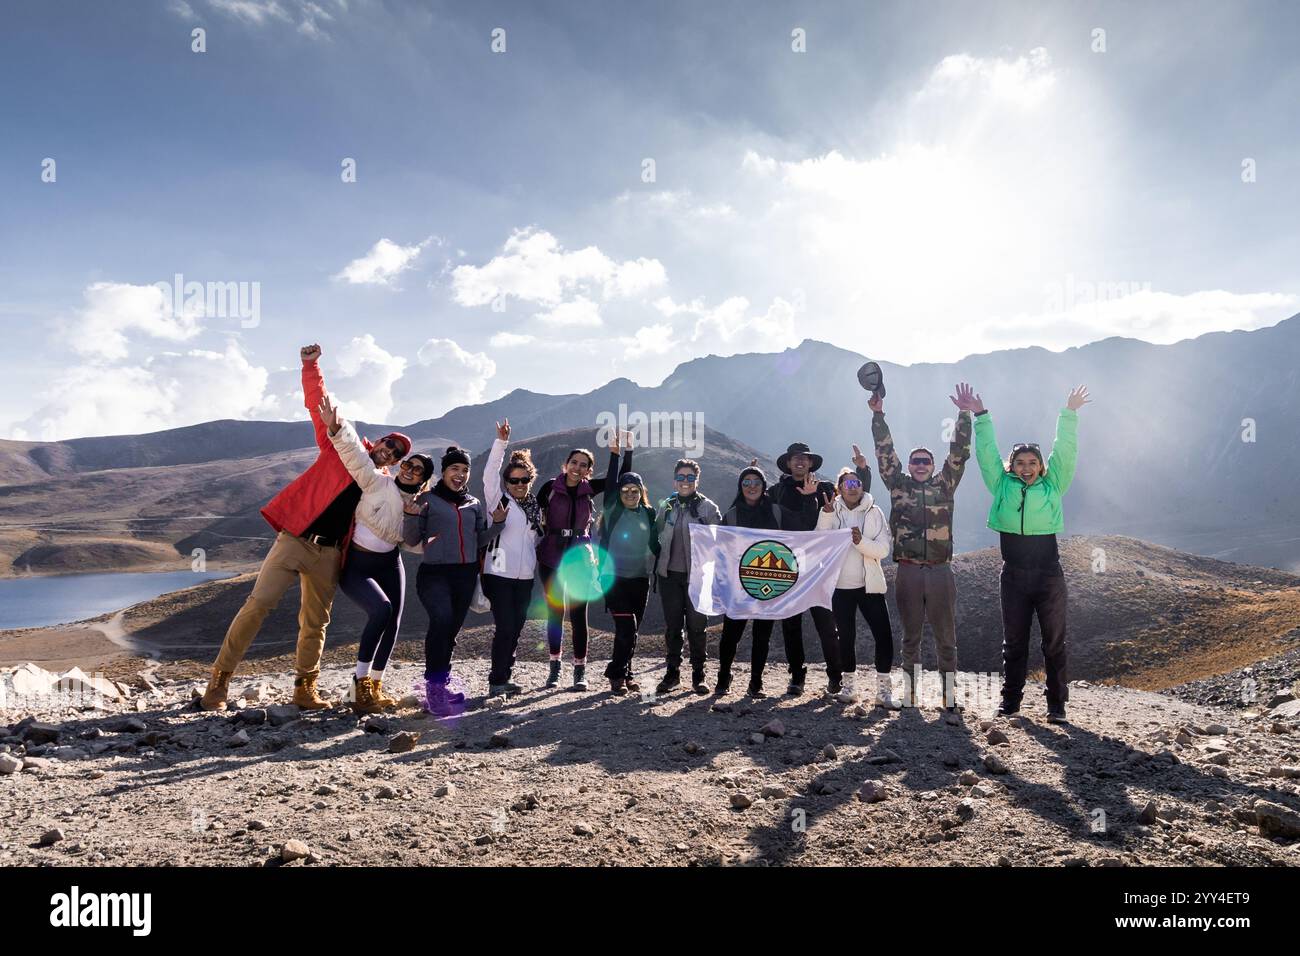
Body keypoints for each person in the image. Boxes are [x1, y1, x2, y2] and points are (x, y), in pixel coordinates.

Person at [200, 344, 410, 712]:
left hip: (330, 553)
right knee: (258, 604)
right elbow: (320, 407)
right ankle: (219, 682)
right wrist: (310, 366)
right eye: (388, 444)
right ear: (377, 441)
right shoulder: (340, 445)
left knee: (315, 622)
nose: (389, 452)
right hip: (295, 539)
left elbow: (396, 515)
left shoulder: (381, 484)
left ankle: (304, 689)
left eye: (396, 454)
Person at [968, 384, 1088, 723]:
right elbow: (987, 455)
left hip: (1049, 574)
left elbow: (1065, 452)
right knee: (1014, 643)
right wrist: (981, 415)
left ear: (1040, 466)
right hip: (1014, 575)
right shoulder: (1001, 485)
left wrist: (1069, 414)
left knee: (1054, 644)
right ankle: (1010, 704)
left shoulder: (1054, 485)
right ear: (1012, 466)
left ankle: (1056, 707)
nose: (1026, 467)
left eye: (1032, 462)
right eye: (1019, 462)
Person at [317, 392, 428, 714]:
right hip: (358, 564)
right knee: (380, 610)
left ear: (423, 478)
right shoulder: (376, 483)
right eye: (407, 463)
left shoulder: (418, 506)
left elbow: (415, 545)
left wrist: (412, 518)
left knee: (393, 621)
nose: (410, 470)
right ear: (399, 466)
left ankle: (374, 687)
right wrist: (338, 427)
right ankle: (358, 685)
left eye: (417, 469)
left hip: (390, 563)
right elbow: (354, 454)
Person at [870, 389, 971, 710]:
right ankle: (911, 695)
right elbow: (885, 452)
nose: (921, 465)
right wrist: (878, 415)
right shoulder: (898, 485)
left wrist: (965, 415)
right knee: (910, 637)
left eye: (926, 461)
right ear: (909, 465)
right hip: (908, 572)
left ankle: (949, 696)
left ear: (933, 465)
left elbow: (959, 452)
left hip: (941, 572)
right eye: (916, 461)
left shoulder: (946, 484)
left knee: (946, 638)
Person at [403, 446, 503, 717]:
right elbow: (411, 540)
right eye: (454, 469)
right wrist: (411, 517)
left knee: (451, 631)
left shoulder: (474, 503)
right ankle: (433, 689)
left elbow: (478, 540)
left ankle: (441, 684)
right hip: (434, 574)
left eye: (464, 470)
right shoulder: (426, 500)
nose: (459, 475)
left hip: (465, 575)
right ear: (444, 472)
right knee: (442, 621)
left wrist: (497, 525)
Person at [769, 442, 869, 695]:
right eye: (795, 459)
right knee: (791, 624)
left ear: (811, 463)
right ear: (789, 463)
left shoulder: (825, 489)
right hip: (788, 567)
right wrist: (749, 479)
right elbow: (757, 509)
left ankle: (835, 676)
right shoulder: (777, 491)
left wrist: (863, 471)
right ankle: (797, 676)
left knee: (826, 625)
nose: (800, 462)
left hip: (821, 568)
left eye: (804, 458)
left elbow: (856, 497)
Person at [535, 438, 632, 690]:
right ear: (565, 464)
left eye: (584, 465)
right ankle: (554, 669)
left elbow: (621, 480)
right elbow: (534, 517)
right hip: (550, 558)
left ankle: (580, 671)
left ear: (589, 470)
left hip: (580, 560)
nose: (577, 468)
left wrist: (618, 453)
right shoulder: (549, 488)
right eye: (574, 462)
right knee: (555, 614)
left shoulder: (590, 489)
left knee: (579, 616)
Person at [816, 465, 899, 708]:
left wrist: (860, 542)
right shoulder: (831, 511)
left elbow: (883, 549)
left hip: (870, 586)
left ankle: (883, 691)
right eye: (847, 484)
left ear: (862, 486)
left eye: (857, 483)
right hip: (841, 588)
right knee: (846, 638)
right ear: (839, 488)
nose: (853, 488)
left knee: (883, 636)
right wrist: (827, 514)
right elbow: (820, 542)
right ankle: (849, 686)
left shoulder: (874, 512)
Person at [480, 420, 544, 698]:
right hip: (499, 574)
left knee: (516, 627)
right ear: (506, 482)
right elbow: (488, 475)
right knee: (505, 626)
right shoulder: (498, 500)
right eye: (513, 480)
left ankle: (505, 676)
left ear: (531, 481)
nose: (518, 485)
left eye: (524, 480)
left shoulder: (534, 508)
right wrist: (501, 443)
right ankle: (496, 680)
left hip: (525, 577)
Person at [653, 458, 723, 695]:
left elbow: (721, 540)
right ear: (675, 480)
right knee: (673, 627)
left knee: (696, 626)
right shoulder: (668, 506)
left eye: (690, 478)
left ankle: (698, 675)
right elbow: (657, 534)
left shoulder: (708, 508)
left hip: (699, 577)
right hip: (669, 576)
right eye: (681, 477)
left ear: (697, 480)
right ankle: (672, 674)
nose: (685, 482)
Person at [596, 437, 660, 694]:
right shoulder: (613, 511)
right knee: (627, 628)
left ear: (641, 492)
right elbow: (613, 483)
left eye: (635, 490)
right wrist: (616, 454)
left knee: (632, 632)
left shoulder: (649, 513)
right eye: (626, 491)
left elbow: (656, 544)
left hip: (640, 579)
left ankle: (626, 673)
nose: (630, 494)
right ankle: (616, 675)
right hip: (613, 578)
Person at [715, 465, 784, 698]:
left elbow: (795, 538)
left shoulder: (776, 512)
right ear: (740, 487)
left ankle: (756, 682)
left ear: (764, 486)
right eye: (746, 482)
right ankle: (723, 678)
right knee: (731, 634)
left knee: (761, 635)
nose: (752, 486)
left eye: (756, 482)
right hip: (738, 585)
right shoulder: (732, 515)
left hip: (768, 583)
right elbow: (721, 548)